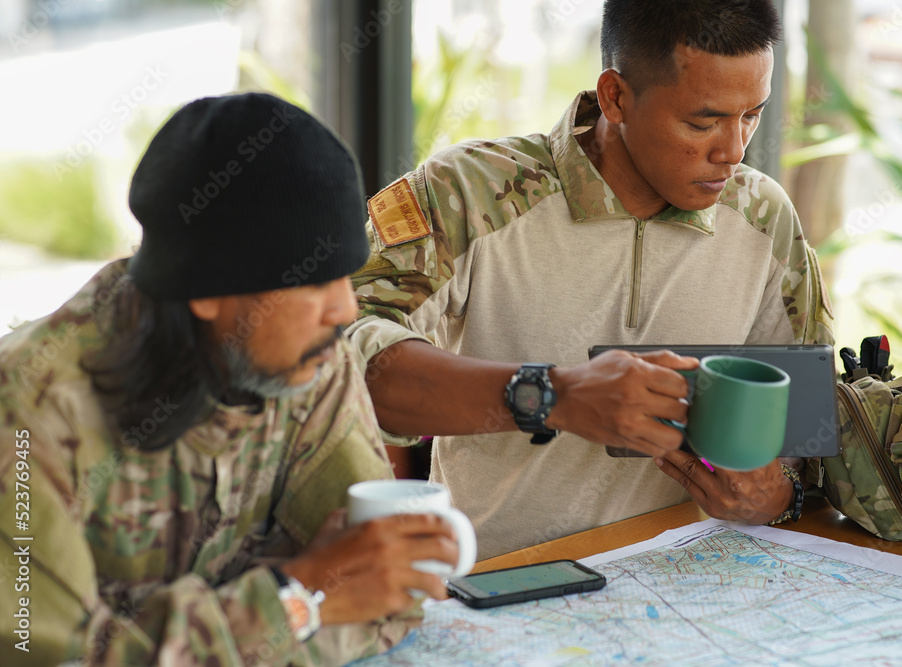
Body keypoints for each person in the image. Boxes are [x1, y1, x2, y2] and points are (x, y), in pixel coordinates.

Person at [349, 0, 835, 560]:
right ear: (616, 97)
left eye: (751, 114)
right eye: (703, 122)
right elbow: (339, 365)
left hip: (698, 592)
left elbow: (806, 432)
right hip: (507, 587)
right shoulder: (468, 193)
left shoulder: (763, 218)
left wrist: (776, 496)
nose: (734, 150)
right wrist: (556, 395)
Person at [0, 93, 459, 666]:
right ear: (209, 292)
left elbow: (384, 596)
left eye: (347, 274)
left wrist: (288, 611)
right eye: (312, 280)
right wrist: (294, 603)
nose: (344, 309)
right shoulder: (27, 413)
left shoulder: (312, 360)